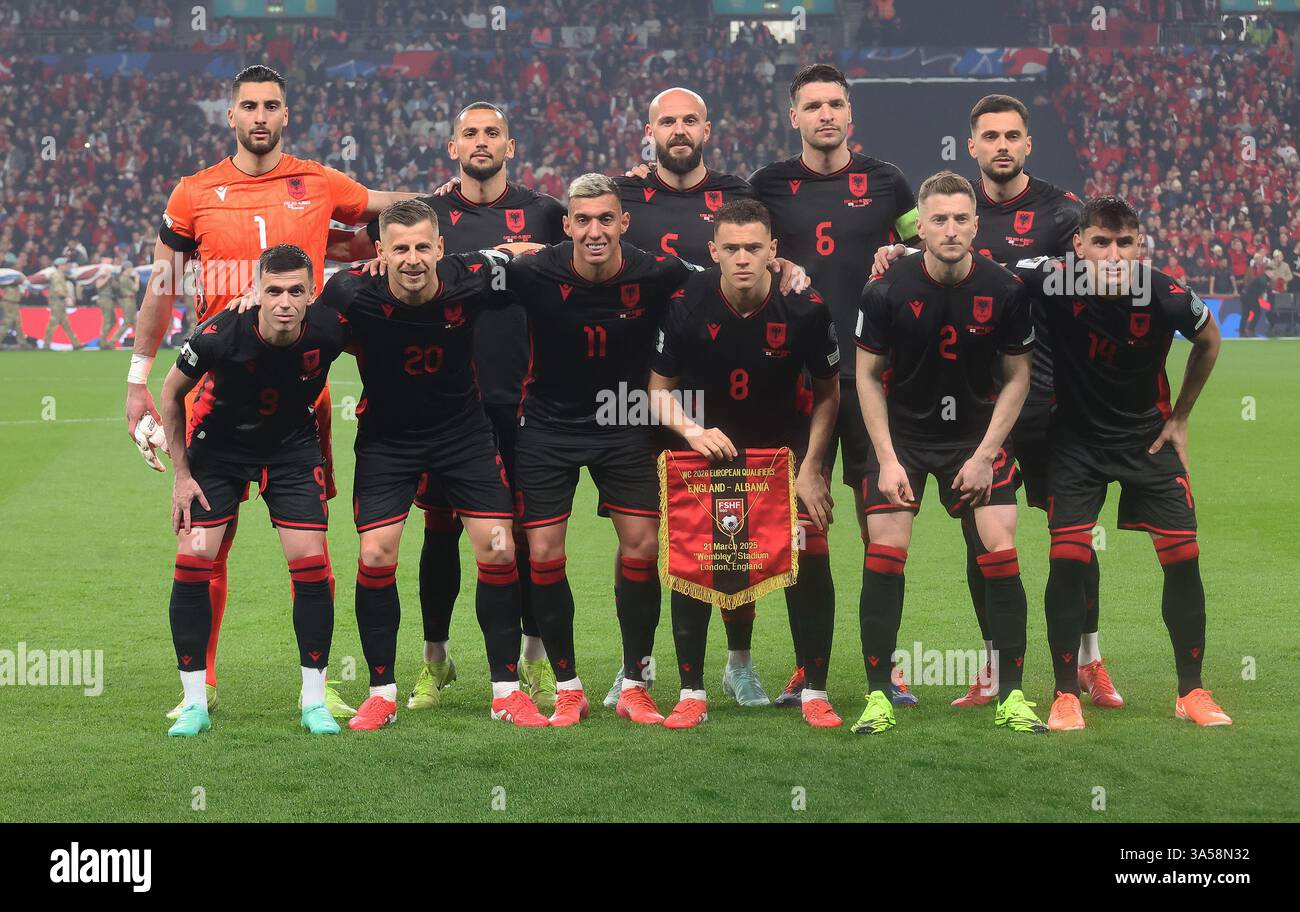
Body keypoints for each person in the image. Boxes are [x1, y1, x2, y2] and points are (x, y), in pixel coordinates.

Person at [124, 64, 416, 719]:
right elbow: (162, 286)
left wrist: (431, 216)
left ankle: (320, 686)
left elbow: (384, 209)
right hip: (215, 392)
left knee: (308, 543)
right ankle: (203, 686)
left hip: (300, 395)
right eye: (249, 106)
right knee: (208, 541)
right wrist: (138, 380)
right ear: (230, 116)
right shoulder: (193, 193)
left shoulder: (317, 181)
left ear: (287, 116)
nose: (260, 116)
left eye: (271, 106)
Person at [870, 95, 1113, 710]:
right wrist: (894, 252)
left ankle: (1090, 660)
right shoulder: (952, 213)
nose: (1002, 145)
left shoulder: (1064, 213)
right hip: (980, 406)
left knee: (1072, 538)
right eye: (990, 136)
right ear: (971, 146)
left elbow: (1100, 277)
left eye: (1013, 135)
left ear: (1029, 144)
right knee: (984, 543)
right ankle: (993, 668)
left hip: (1052, 397)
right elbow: (909, 249)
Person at [335, 102, 568, 714]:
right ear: (452, 146)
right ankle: (432, 664)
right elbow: (326, 301)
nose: (482, 141)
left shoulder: (547, 212)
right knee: (435, 535)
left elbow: (584, 266)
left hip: (518, 402)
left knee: (518, 540)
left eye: (493, 132)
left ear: (510, 145)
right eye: (471, 133)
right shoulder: (425, 217)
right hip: (422, 413)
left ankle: (527, 669)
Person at [1010, 196, 1229, 730]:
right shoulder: (1052, 280)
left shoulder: (1163, 291)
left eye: (1125, 243)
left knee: (1183, 557)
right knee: (1068, 559)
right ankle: (1065, 695)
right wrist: (903, 255)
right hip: (1075, 444)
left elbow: (1209, 338)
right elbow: (980, 267)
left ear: (1140, 246)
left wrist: (1179, 418)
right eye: (1101, 243)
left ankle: (1191, 691)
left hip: (1146, 441)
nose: (1113, 255)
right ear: (1078, 246)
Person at [750, 63, 921, 708]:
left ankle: (887, 667)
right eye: (813, 105)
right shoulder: (769, 184)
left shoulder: (887, 182)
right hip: (797, 381)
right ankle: (808, 669)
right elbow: (741, 247)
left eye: (836, 104)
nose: (826, 115)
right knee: (806, 530)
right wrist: (775, 260)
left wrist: (902, 254)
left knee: (881, 525)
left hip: (877, 378)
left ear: (851, 115)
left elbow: (924, 243)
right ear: (793, 117)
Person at [503, 173, 700, 727]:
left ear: (624, 223)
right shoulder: (532, 271)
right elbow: (462, 276)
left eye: (606, 219)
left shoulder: (656, 270)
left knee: (641, 548)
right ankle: (568, 686)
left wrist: (784, 268)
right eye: (583, 220)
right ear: (565, 226)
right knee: (542, 554)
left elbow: (718, 281)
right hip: (547, 424)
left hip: (626, 421)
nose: (595, 231)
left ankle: (635, 683)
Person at [853, 171, 1045, 736]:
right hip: (902, 437)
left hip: (974, 438)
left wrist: (986, 453)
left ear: (976, 224)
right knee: (886, 548)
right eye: (939, 218)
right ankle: (878, 696)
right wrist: (886, 459)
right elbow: (866, 375)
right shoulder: (886, 288)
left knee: (1001, 546)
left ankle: (1012, 695)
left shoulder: (1005, 289)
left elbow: (1017, 377)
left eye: (962, 218)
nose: (951, 229)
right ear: (921, 225)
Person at [650, 199, 842, 729]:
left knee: (811, 554)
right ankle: (693, 693)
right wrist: (691, 431)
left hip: (782, 457)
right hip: (709, 455)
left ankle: (816, 692)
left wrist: (812, 468)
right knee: (696, 562)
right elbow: (656, 392)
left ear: (773, 252)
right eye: (730, 248)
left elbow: (829, 393)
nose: (742, 258)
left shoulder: (805, 307)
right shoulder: (687, 304)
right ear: (713, 252)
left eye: (753, 248)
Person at [159, 244, 350, 737]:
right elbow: (171, 392)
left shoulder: (330, 328)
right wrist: (182, 475)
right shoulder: (220, 334)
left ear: (311, 293)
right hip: (219, 450)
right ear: (255, 292)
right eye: (273, 291)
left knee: (311, 562)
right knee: (194, 558)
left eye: (295, 291)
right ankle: (195, 701)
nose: (284, 302)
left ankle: (313, 700)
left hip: (291, 447)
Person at [43, 258, 81, 350]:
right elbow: (58, 290)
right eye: (64, 264)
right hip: (57, 302)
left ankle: (76, 344)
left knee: (66, 324)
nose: (66, 266)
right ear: (60, 266)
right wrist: (68, 296)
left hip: (59, 302)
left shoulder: (59, 275)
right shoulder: (57, 275)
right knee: (53, 323)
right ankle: (46, 345)